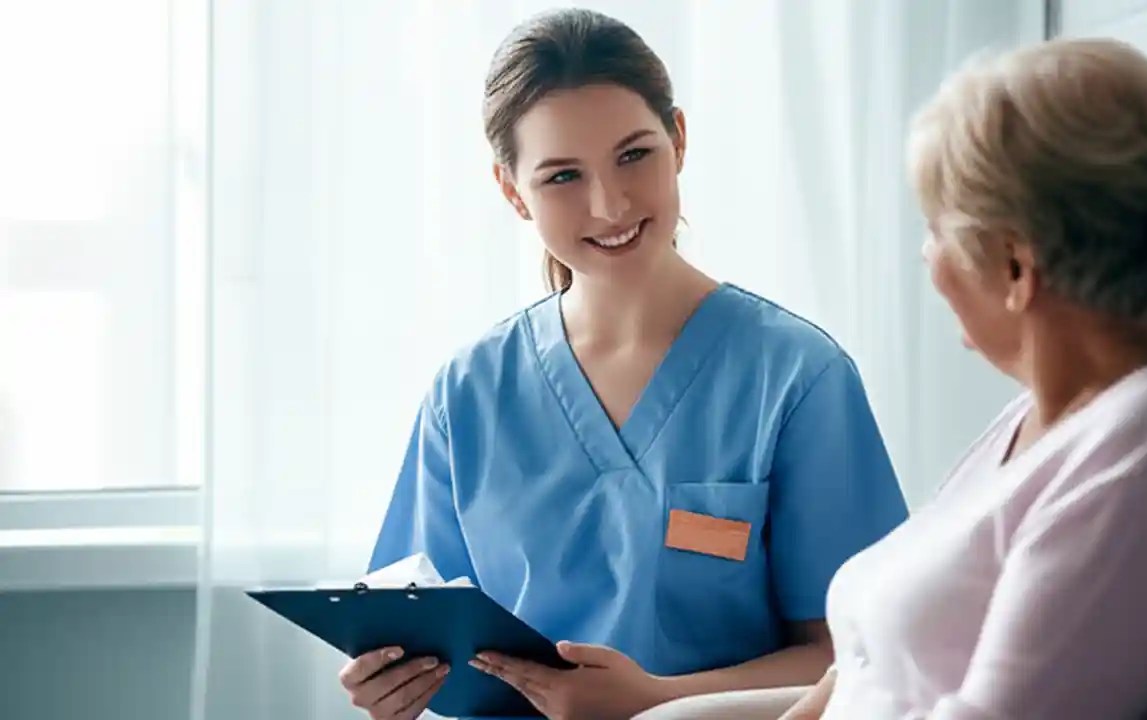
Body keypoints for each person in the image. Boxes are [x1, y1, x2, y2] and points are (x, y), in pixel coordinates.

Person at [639, 38, 1147, 720]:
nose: (926, 256)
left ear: (1013, 267)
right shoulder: (1057, 412)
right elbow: (870, 657)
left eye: (936, 228)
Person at [336, 8, 908, 720]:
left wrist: (659, 703)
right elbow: (423, 632)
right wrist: (391, 682)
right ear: (512, 190)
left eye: (634, 155)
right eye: (562, 176)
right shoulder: (470, 393)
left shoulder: (797, 378)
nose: (609, 205)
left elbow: (862, 650)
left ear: (679, 140)